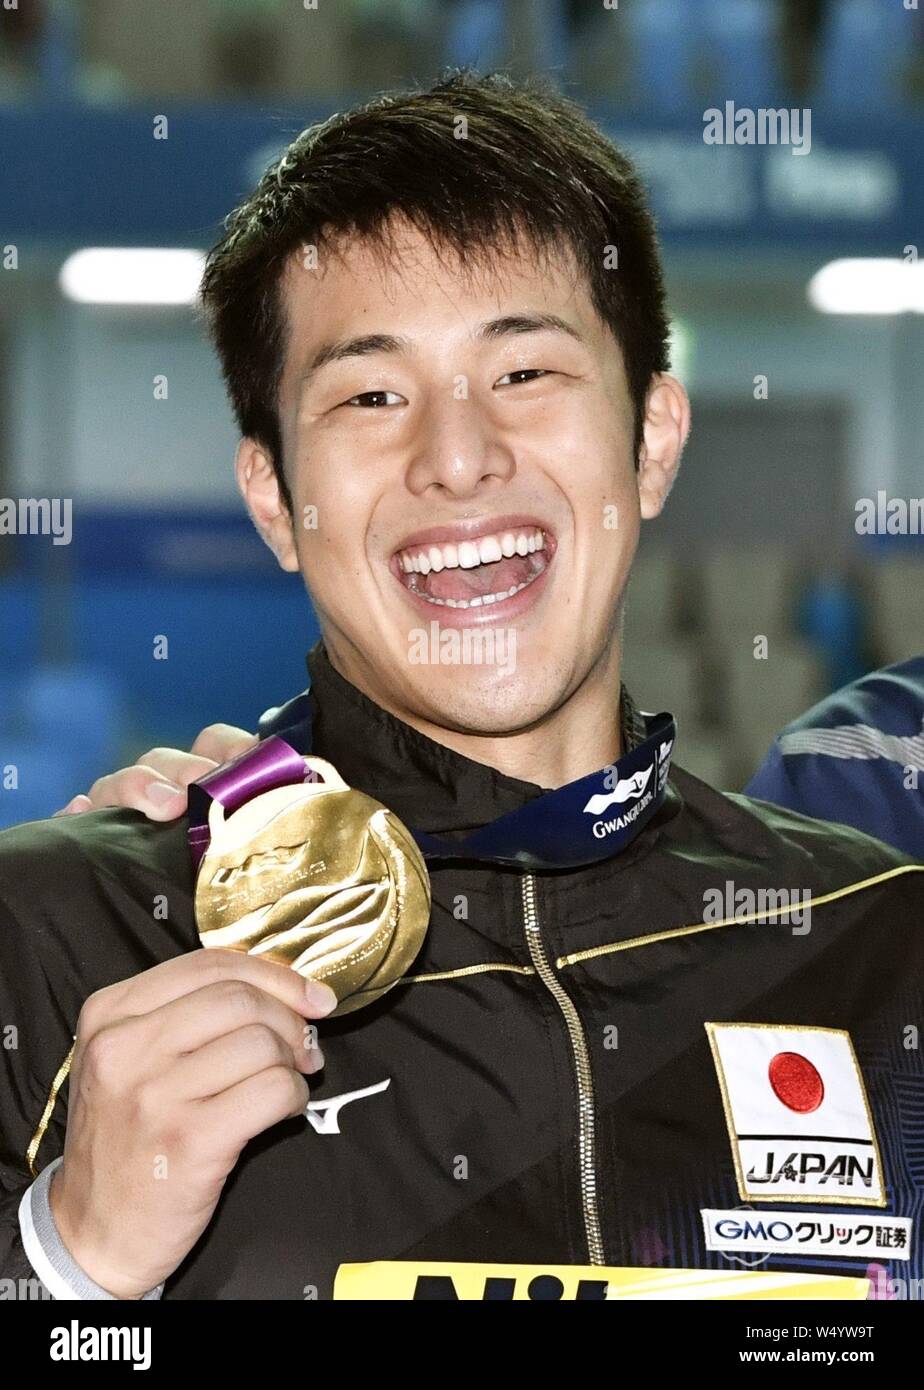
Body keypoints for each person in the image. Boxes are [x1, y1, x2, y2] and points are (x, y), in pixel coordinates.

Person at [2, 70, 923, 1303]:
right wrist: (66, 1260)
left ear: (652, 440)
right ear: (275, 498)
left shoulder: (878, 934)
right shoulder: (64, 940)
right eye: (372, 394)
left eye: (526, 374)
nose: (457, 457)